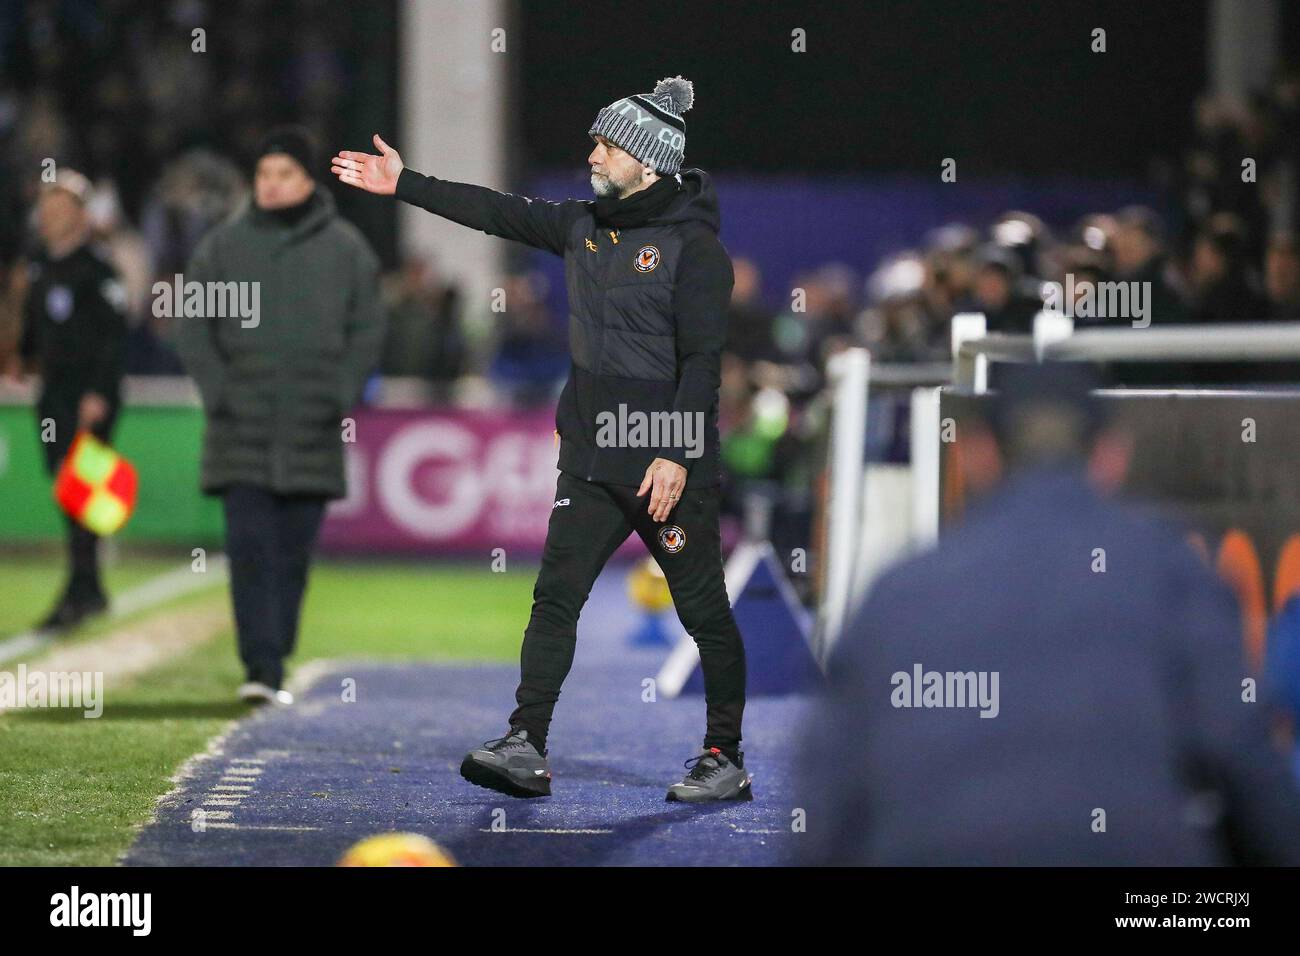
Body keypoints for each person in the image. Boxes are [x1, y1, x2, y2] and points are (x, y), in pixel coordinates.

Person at [331, 76, 751, 802]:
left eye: (606, 144)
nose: (591, 152)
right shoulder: (581, 225)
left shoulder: (695, 251)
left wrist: (676, 453)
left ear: (645, 161)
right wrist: (405, 184)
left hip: (661, 462)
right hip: (591, 455)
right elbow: (496, 212)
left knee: (703, 610)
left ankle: (725, 756)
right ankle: (525, 742)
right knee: (554, 598)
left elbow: (702, 364)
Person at [795, 363, 1300, 865]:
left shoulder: (898, 592)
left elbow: (830, 809)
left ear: (976, 454)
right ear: (1110, 456)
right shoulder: (1173, 572)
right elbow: (1244, 763)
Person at [177, 126, 385, 707]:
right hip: (239, 429)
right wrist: (220, 394)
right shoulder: (223, 246)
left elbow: (368, 327)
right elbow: (193, 326)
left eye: (284, 174)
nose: (271, 185)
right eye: (264, 175)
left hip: (312, 428)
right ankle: (261, 666)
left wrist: (340, 392)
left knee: (293, 553)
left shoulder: (346, 249)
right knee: (249, 548)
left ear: (308, 179)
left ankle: (276, 651)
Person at [14, 171, 128, 631]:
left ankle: (79, 590)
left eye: (59, 208)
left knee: (81, 492)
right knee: (69, 490)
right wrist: (23, 357)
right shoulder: (39, 264)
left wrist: (99, 392)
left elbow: (114, 339)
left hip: (88, 396)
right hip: (54, 397)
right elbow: (34, 322)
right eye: (46, 208)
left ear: (80, 215)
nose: (49, 217)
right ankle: (90, 587)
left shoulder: (98, 269)